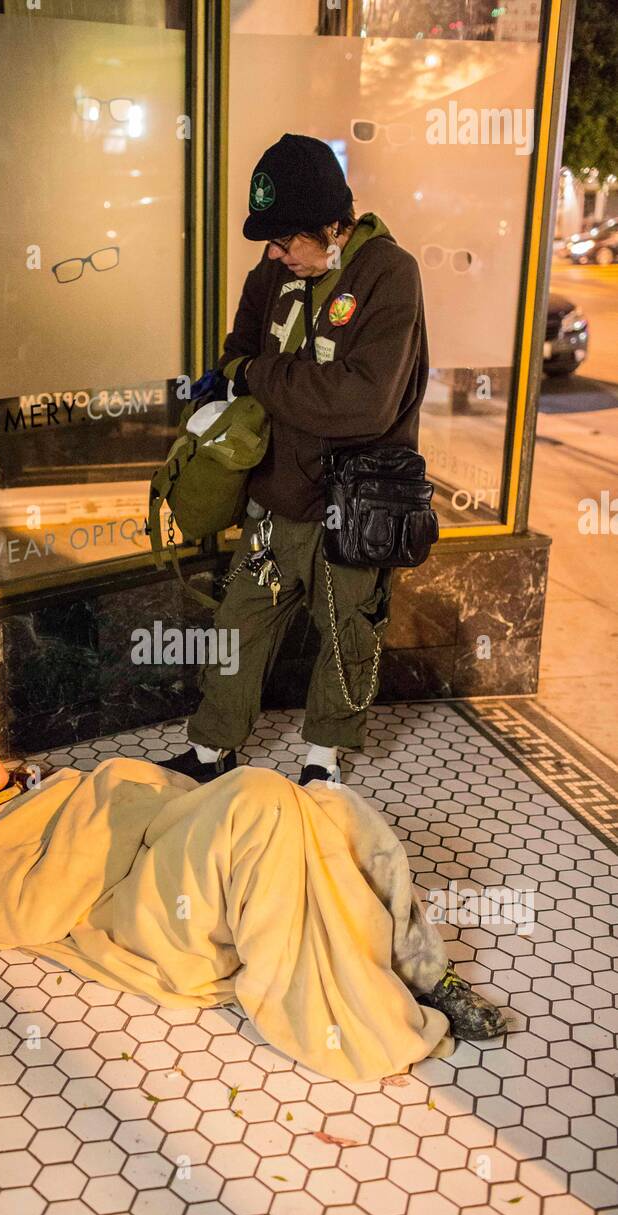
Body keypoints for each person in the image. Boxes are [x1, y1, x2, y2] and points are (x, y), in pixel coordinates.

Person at [0, 716, 508, 1083]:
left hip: (165, 857)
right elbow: (16, 917)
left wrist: (112, 796)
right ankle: (355, 1008)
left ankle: (425, 970)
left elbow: (157, 798)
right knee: (259, 795)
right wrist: (105, 808)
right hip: (140, 913)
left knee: (332, 807)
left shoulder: (49, 783)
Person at [161, 133, 428, 789]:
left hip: (352, 507)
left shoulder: (388, 274)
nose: (274, 255)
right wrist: (249, 373)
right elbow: (234, 353)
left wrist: (262, 374)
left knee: (347, 636)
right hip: (275, 498)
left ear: (329, 225)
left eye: (285, 241)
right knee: (240, 625)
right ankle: (209, 751)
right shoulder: (274, 272)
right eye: (271, 243)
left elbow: (364, 403)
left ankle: (322, 763)